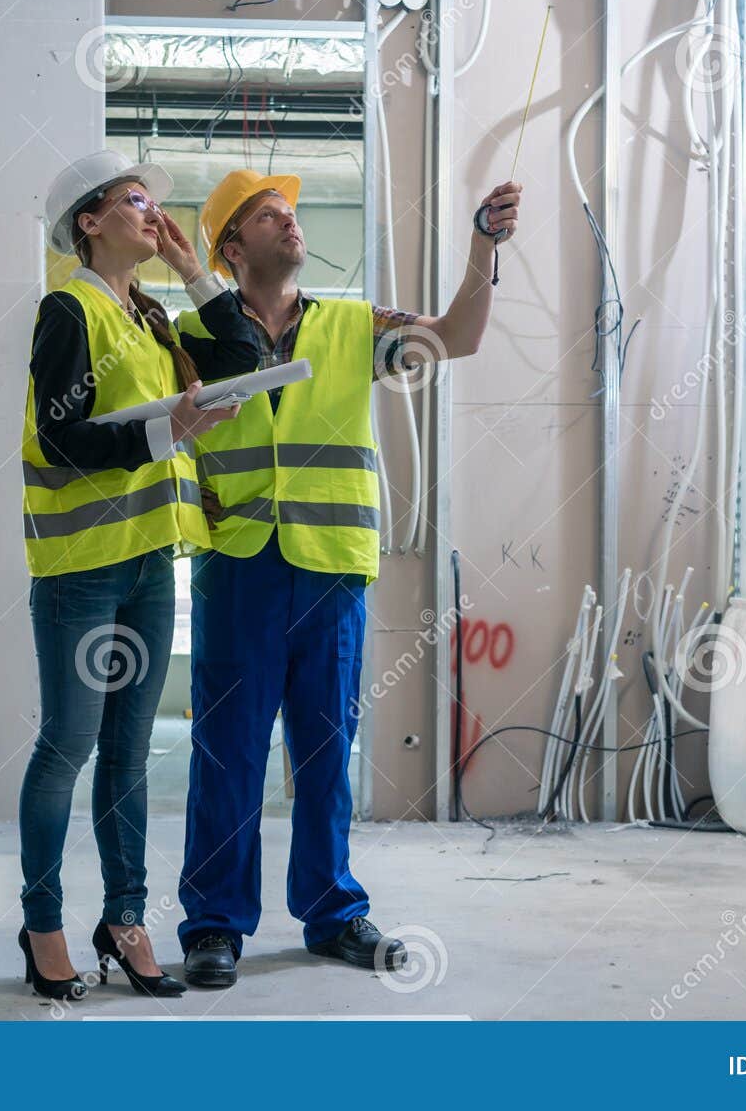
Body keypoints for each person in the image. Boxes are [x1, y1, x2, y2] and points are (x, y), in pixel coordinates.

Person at [173, 168, 522, 988]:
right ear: (230, 248)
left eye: (291, 212)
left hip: (330, 569)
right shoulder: (194, 335)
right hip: (237, 564)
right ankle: (214, 923)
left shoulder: (352, 326)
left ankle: (331, 910)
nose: (290, 222)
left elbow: (460, 336)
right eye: (268, 215)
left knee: (326, 749)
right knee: (227, 752)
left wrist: (482, 244)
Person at [16, 150, 252, 1001]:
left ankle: (123, 920)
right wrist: (166, 433)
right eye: (134, 200)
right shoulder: (68, 309)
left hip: (151, 565)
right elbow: (62, 434)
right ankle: (42, 923)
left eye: (156, 203)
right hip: (81, 570)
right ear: (89, 220)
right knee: (68, 746)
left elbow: (239, 346)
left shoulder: (149, 316)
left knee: (129, 753)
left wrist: (193, 266)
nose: (152, 214)